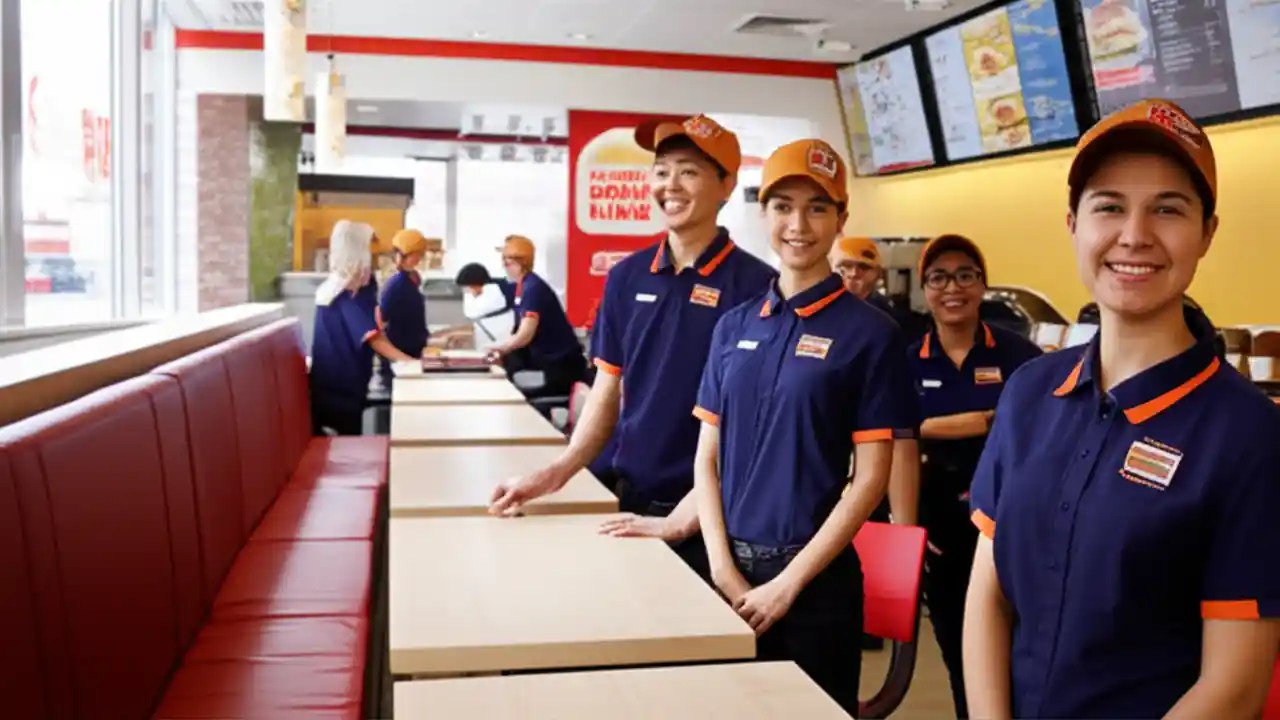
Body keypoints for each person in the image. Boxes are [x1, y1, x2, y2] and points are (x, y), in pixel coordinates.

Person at [963, 99, 1280, 720]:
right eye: (1109, 206)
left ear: (1207, 232)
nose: (1135, 235)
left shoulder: (1250, 436)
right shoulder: (1029, 393)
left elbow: (1234, 688)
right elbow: (988, 598)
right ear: (1073, 223)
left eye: (1168, 209)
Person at [489, 114, 776, 578]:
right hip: (635, 494)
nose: (670, 185)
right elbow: (606, 391)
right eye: (661, 171)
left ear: (726, 186)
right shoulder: (627, 278)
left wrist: (691, 515)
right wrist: (557, 472)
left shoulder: (758, 287)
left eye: (688, 171)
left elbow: (758, 423)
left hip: (719, 508)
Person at [691, 138, 917, 716]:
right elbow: (706, 460)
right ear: (763, 214)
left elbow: (869, 481)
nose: (799, 223)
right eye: (783, 206)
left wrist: (787, 584)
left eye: (818, 208)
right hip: (723, 574)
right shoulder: (734, 326)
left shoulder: (872, 334)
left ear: (841, 218)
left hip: (815, 585)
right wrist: (721, 568)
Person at [906, 233, 1042, 719]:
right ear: (925, 289)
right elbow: (896, 437)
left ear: (982, 284)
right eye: (939, 277)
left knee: (1021, 657)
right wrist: (989, 417)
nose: (953, 287)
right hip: (940, 537)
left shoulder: (1019, 356)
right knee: (962, 661)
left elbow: (1043, 431)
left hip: (1011, 533)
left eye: (966, 274)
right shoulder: (906, 360)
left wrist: (931, 428)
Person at [309, 219, 417, 435]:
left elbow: (375, 329)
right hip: (337, 394)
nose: (376, 252)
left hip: (354, 385)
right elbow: (374, 338)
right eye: (370, 245)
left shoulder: (359, 287)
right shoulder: (343, 293)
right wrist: (412, 363)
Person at [485, 234, 586, 399]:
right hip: (548, 363)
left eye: (508, 262)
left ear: (521, 261)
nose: (504, 266)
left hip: (561, 368)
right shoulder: (523, 286)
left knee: (516, 397)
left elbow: (525, 335)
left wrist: (501, 348)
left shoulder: (533, 288)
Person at [376, 229, 431, 388]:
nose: (421, 258)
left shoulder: (411, 280)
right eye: (419, 254)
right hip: (399, 362)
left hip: (411, 357)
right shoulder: (397, 285)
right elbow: (380, 319)